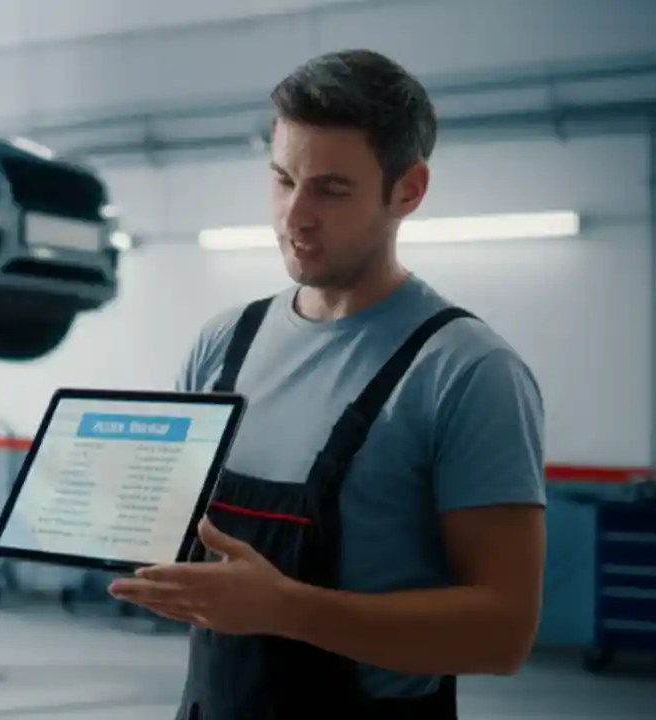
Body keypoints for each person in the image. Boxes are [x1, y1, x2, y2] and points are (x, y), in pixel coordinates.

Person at [109, 49, 547, 718]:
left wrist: (287, 610)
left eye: (331, 189)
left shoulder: (467, 373)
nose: (294, 215)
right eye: (283, 180)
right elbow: (171, 535)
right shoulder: (224, 345)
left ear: (408, 190)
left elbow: (503, 633)